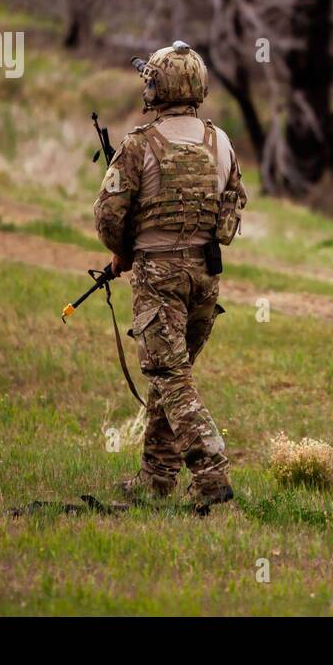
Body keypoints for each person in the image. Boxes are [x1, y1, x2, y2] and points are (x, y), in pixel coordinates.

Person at [93, 41, 247, 512]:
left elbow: (107, 217)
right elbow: (233, 206)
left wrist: (123, 253)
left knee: (171, 378)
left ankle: (212, 474)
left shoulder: (139, 145)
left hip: (159, 279)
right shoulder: (220, 142)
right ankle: (157, 479)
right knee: (171, 374)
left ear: (154, 88)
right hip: (206, 278)